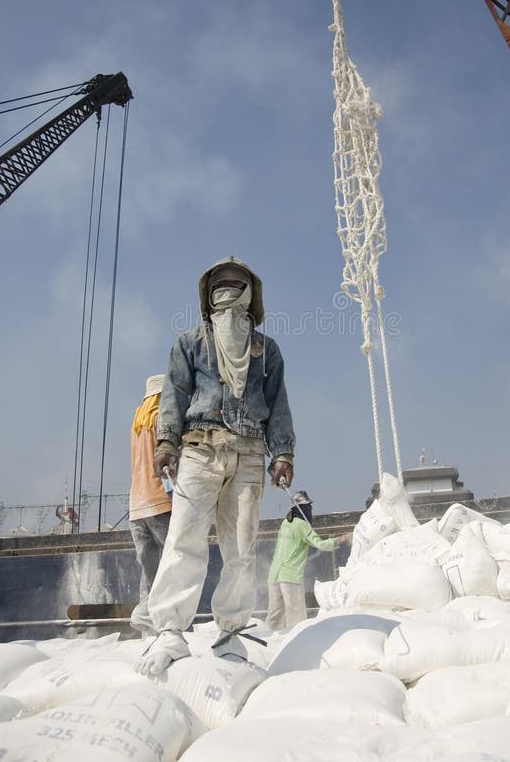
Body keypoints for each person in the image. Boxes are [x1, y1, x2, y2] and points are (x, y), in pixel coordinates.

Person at [137, 256, 295, 675]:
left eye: (235, 283)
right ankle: (170, 631)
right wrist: (166, 442)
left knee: (241, 548)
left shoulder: (265, 350)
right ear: (207, 295)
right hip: (199, 450)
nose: (227, 289)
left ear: (250, 294)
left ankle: (231, 631)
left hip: (248, 454)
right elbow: (173, 394)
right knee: (184, 540)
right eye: (219, 283)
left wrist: (282, 453)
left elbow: (278, 403)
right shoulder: (189, 343)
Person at [266, 489, 349, 631]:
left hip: (274, 576)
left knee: (274, 616)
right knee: (296, 617)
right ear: (303, 507)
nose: (310, 510)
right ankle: (297, 646)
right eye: (309, 507)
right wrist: (342, 539)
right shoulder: (303, 526)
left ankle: (267, 645)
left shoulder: (285, 524)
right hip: (290, 577)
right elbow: (321, 544)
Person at [129, 374, 172, 635]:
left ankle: (148, 628)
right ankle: (149, 615)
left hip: (136, 505)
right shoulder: (160, 418)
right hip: (159, 501)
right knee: (172, 562)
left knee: (149, 567)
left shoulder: (137, 423)